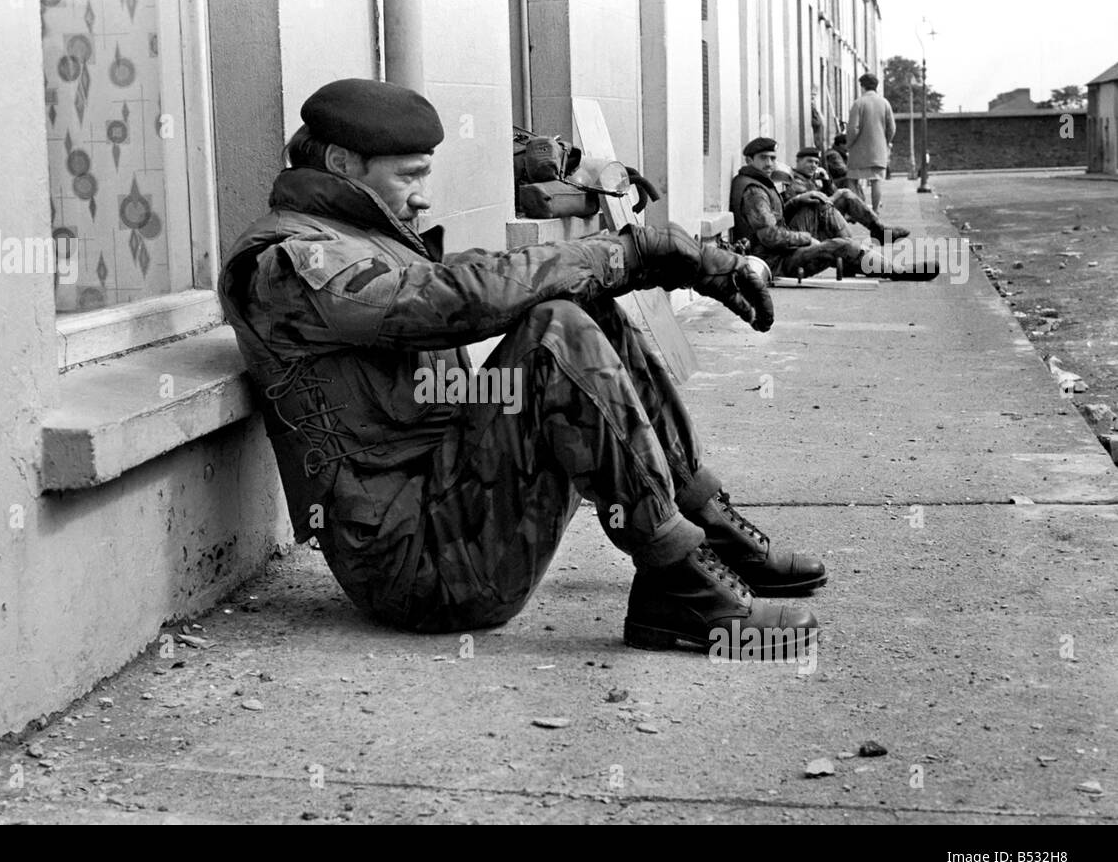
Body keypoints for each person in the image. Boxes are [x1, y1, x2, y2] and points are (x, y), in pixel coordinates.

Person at [218, 78, 827, 659]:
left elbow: (492, 275)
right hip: (417, 569)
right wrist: (638, 251)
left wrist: (663, 258)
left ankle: (704, 530)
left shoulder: (357, 240)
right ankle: (677, 581)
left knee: (575, 302)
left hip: (447, 504)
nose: (424, 195)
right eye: (409, 176)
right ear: (343, 163)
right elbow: (453, 297)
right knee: (552, 333)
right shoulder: (285, 264)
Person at [729, 136, 937, 280]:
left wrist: (798, 201)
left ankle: (856, 257)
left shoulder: (754, 180)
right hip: (776, 263)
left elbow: (777, 218)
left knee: (819, 204)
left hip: (778, 252)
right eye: (763, 158)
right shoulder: (754, 192)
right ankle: (896, 271)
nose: (769, 163)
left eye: (773, 158)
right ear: (749, 160)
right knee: (840, 246)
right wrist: (807, 238)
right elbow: (770, 236)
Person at [784, 146, 909, 245]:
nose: (813, 166)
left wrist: (827, 181)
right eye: (809, 161)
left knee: (844, 196)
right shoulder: (794, 180)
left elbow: (826, 204)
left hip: (815, 222)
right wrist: (836, 196)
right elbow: (813, 206)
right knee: (845, 195)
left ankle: (877, 231)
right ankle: (878, 232)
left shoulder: (808, 179)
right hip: (804, 229)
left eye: (816, 163)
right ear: (798, 161)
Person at [845, 73, 895, 213]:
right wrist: (885, 142)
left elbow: (853, 128)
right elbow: (892, 128)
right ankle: (875, 211)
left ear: (862, 86)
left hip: (859, 151)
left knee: (852, 179)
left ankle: (856, 211)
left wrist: (849, 144)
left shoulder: (859, 103)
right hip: (878, 150)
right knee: (876, 180)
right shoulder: (885, 103)